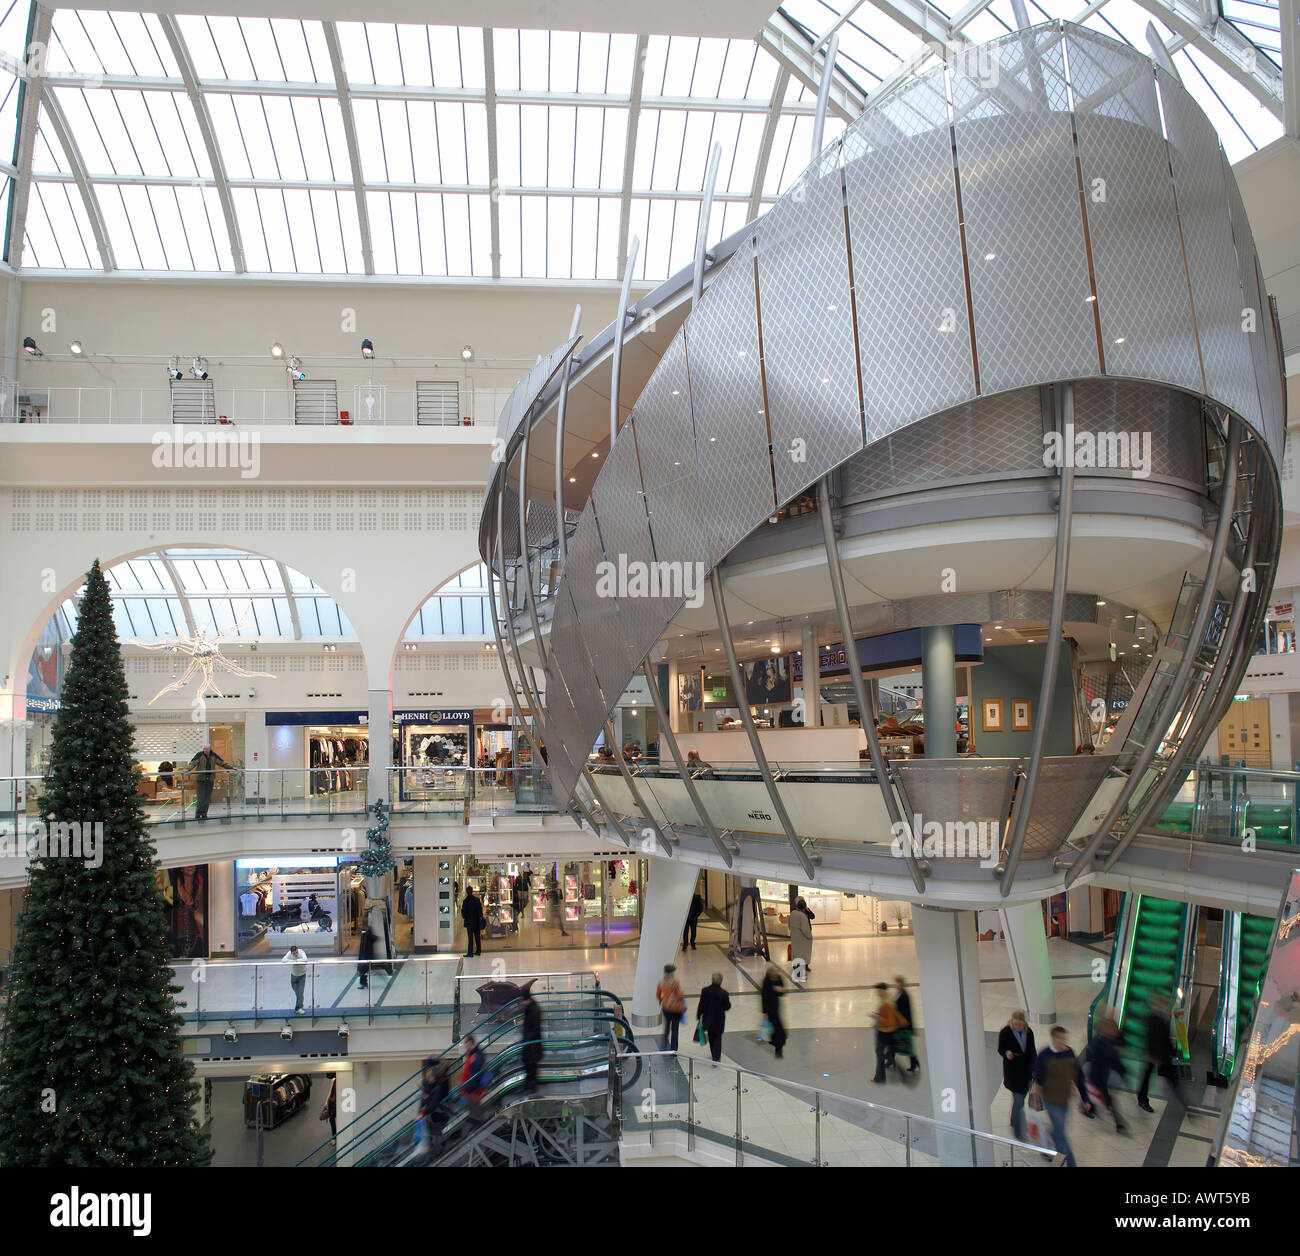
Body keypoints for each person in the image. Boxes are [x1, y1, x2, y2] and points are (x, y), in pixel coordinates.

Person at [1031, 1025, 1092, 1167]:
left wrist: (1085, 1098)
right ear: (1053, 1038)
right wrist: (1035, 1098)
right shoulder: (1045, 1055)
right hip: (1051, 1101)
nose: (1063, 1042)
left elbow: (1079, 1077)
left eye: (1064, 1039)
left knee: (1058, 1130)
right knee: (1061, 1135)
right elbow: (1038, 1079)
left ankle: (1047, 1146)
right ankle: (1070, 1163)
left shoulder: (1069, 1053)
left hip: (1065, 1100)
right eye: (1060, 1039)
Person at [1136, 992, 1187, 1115]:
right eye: (1162, 1002)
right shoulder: (1153, 1018)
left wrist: (1172, 1052)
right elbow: (1150, 1038)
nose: (1164, 1005)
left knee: (1169, 1078)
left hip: (1162, 1055)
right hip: (1155, 1055)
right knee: (1149, 1076)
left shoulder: (1160, 1016)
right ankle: (1142, 1099)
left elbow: (1164, 1038)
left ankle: (1185, 1104)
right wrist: (1153, 1055)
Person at [997, 1010, 1036, 1141]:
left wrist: (1034, 1071)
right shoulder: (1006, 1032)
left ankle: (1014, 1121)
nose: (1017, 1026)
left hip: (1026, 1073)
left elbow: (1032, 1052)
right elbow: (1001, 1048)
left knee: (1019, 1100)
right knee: (1019, 1102)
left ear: (1024, 1022)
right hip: (1013, 1073)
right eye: (1015, 1024)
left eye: (1019, 1024)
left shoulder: (1028, 1032)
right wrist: (1007, 1053)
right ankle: (1018, 1131)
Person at [1087, 1015, 1128, 1133]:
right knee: (1108, 1099)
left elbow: (1118, 1048)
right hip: (1097, 1077)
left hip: (1102, 1076)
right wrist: (1122, 1070)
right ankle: (1119, 1123)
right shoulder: (1100, 1043)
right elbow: (1112, 1057)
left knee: (1103, 1098)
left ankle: (1090, 1108)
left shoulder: (1106, 1039)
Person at [871, 982, 906, 1082]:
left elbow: (888, 1021)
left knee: (880, 1054)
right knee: (884, 1054)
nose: (876, 993)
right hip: (887, 1032)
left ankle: (880, 1077)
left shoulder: (886, 1004)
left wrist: (876, 1017)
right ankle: (882, 1076)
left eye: (878, 991)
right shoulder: (886, 1002)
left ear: (882, 991)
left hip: (884, 1033)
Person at [187, 742, 231, 821]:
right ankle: (198, 814)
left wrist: (231, 768)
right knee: (201, 798)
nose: (205, 750)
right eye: (204, 749)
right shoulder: (199, 755)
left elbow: (222, 763)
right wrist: (187, 770)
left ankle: (204, 814)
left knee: (207, 798)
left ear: (210, 749)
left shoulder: (213, 756)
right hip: (200, 780)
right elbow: (193, 763)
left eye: (206, 749)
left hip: (210, 779)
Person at [696, 973, 731, 1064]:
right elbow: (727, 1006)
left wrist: (698, 1014)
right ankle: (717, 1056)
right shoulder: (724, 993)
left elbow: (701, 1004)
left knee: (711, 1037)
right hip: (719, 1020)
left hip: (708, 1018)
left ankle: (713, 1054)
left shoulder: (705, 991)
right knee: (718, 1038)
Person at [760, 964, 789, 1059]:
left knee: (776, 1025)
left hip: (776, 1006)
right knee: (776, 1026)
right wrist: (764, 1011)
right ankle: (778, 1045)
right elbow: (764, 996)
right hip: (770, 1008)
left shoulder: (779, 978)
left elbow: (783, 992)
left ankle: (777, 1042)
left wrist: (780, 990)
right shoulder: (767, 981)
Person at [656, 964, 686, 1052]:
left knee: (666, 1027)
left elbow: (658, 995)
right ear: (672, 973)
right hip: (675, 1009)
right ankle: (674, 1049)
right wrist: (682, 994)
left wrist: (663, 1000)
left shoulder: (661, 982)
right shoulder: (675, 982)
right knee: (675, 1029)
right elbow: (679, 995)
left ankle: (664, 1045)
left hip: (666, 1008)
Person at [893, 976, 920, 1074]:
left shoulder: (904, 995)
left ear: (901, 984)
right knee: (904, 1045)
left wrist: (905, 1025)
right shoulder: (898, 994)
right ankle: (914, 1063)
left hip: (904, 1025)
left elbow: (906, 1012)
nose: (895, 985)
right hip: (899, 1024)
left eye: (897, 983)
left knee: (907, 1046)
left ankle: (914, 1063)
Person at [461, 1036, 488, 1120]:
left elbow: (476, 1075)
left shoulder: (475, 1056)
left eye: (465, 1042)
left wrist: (468, 1089)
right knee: (472, 1109)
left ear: (470, 1042)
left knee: (473, 1110)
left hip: (473, 1090)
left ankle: (478, 1126)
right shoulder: (475, 1054)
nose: (464, 1045)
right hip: (472, 1089)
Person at [520, 990, 543, 1090]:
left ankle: (531, 1086)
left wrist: (528, 1040)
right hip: (530, 1042)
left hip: (531, 1043)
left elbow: (535, 1028)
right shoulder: (531, 1008)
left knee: (530, 1064)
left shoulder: (533, 1010)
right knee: (530, 1064)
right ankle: (530, 1084)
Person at [789, 897, 814, 978]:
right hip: (802, 939)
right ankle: (799, 970)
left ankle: (796, 966)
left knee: (796, 952)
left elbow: (789, 924)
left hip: (795, 937)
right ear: (804, 907)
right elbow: (806, 929)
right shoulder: (802, 916)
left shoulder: (793, 913)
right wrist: (809, 937)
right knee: (803, 954)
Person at [283, 944, 308, 1014]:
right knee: (298, 993)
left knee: (300, 992)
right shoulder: (289, 953)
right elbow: (283, 960)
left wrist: (296, 961)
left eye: (296, 952)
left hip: (302, 976)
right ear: (291, 953)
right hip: (294, 976)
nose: (296, 954)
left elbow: (305, 959)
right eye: (294, 953)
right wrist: (292, 961)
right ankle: (300, 1006)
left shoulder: (301, 952)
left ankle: (298, 1008)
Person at [461, 885, 485, 957]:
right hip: (477, 921)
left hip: (469, 922)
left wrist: (465, 916)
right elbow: (480, 911)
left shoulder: (465, 901)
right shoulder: (477, 900)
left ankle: (470, 952)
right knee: (477, 937)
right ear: (472, 891)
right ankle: (478, 951)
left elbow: (464, 913)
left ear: (467, 892)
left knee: (470, 938)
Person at [319, 1073, 338, 1144]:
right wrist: (326, 1103)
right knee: (331, 1119)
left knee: (333, 1119)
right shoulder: (334, 1080)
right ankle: (334, 1137)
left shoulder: (342, 1081)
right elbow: (330, 1092)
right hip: (332, 1102)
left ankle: (335, 1137)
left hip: (338, 1103)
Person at [357, 925, 376, 989]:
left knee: (363, 972)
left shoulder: (365, 937)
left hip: (364, 958)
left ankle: (364, 984)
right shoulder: (368, 936)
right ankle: (364, 983)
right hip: (367, 957)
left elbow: (362, 949)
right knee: (364, 972)